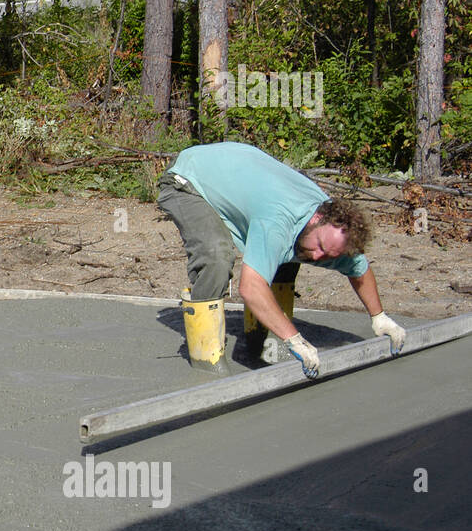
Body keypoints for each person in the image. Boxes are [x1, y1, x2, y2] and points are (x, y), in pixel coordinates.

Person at [157, 141, 406, 377]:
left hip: (238, 170)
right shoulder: (278, 221)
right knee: (216, 256)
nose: (319, 258)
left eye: (328, 255)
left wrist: (379, 317)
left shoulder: (331, 229)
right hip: (189, 178)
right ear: (317, 218)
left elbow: (359, 269)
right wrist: (295, 339)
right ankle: (206, 358)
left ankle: (261, 340)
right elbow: (251, 288)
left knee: (291, 256)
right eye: (319, 246)